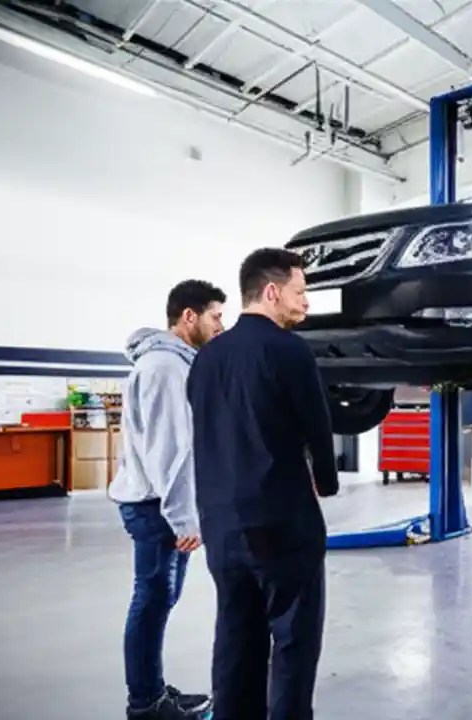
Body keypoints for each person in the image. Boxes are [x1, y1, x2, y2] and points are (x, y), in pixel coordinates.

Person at [187, 248, 340, 720]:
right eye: (300, 291)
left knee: (235, 642)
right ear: (271, 292)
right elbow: (318, 428)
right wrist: (327, 483)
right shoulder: (290, 351)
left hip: (221, 528)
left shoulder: (205, 359)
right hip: (282, 526)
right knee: (292, 647)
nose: (306, 302)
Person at [109, 279, 227, 718]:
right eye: (216, 316)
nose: (221, 325)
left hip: (160, 506)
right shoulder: (165, 367)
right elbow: (171, 452)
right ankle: (145, 703)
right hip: (156, 508)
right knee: (152, 599)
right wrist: (184, 520)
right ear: (189, 316)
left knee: (160, 599)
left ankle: (152, 689)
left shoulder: (178, 363)